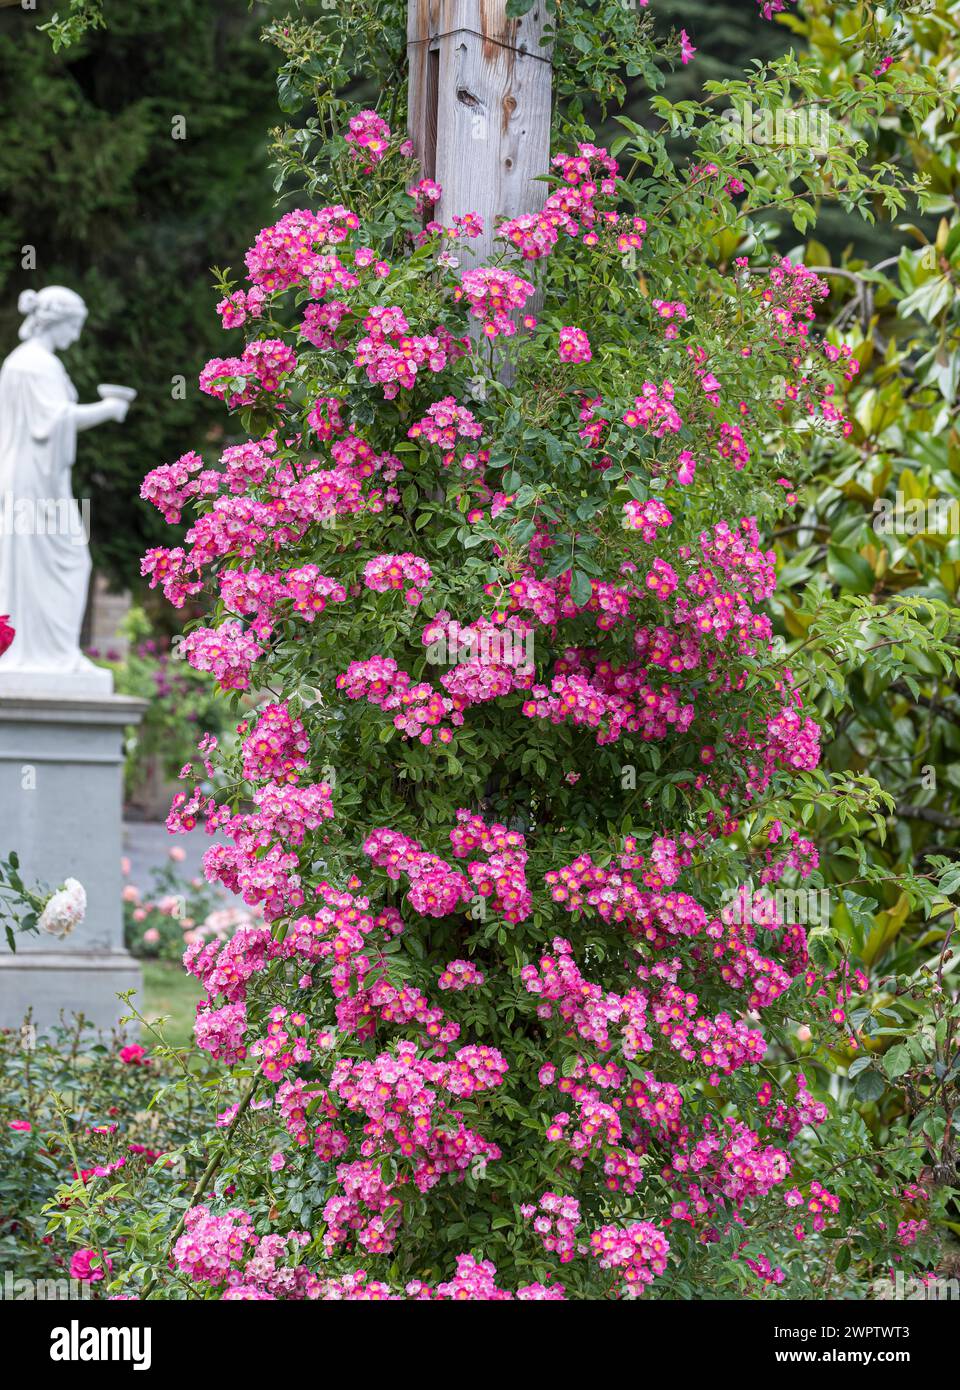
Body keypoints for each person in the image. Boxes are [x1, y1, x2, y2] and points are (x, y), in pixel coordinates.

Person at [0, 286, 131, 683]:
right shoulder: (33, 365)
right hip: (33, 479)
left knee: (61, 560)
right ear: (56, 322)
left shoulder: (33, 362)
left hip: (43, 477)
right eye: (73, 326)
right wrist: (108, 410)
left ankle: (50, 650)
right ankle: (43, 653)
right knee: (69, 559)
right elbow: (53, 421)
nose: (75, 336)